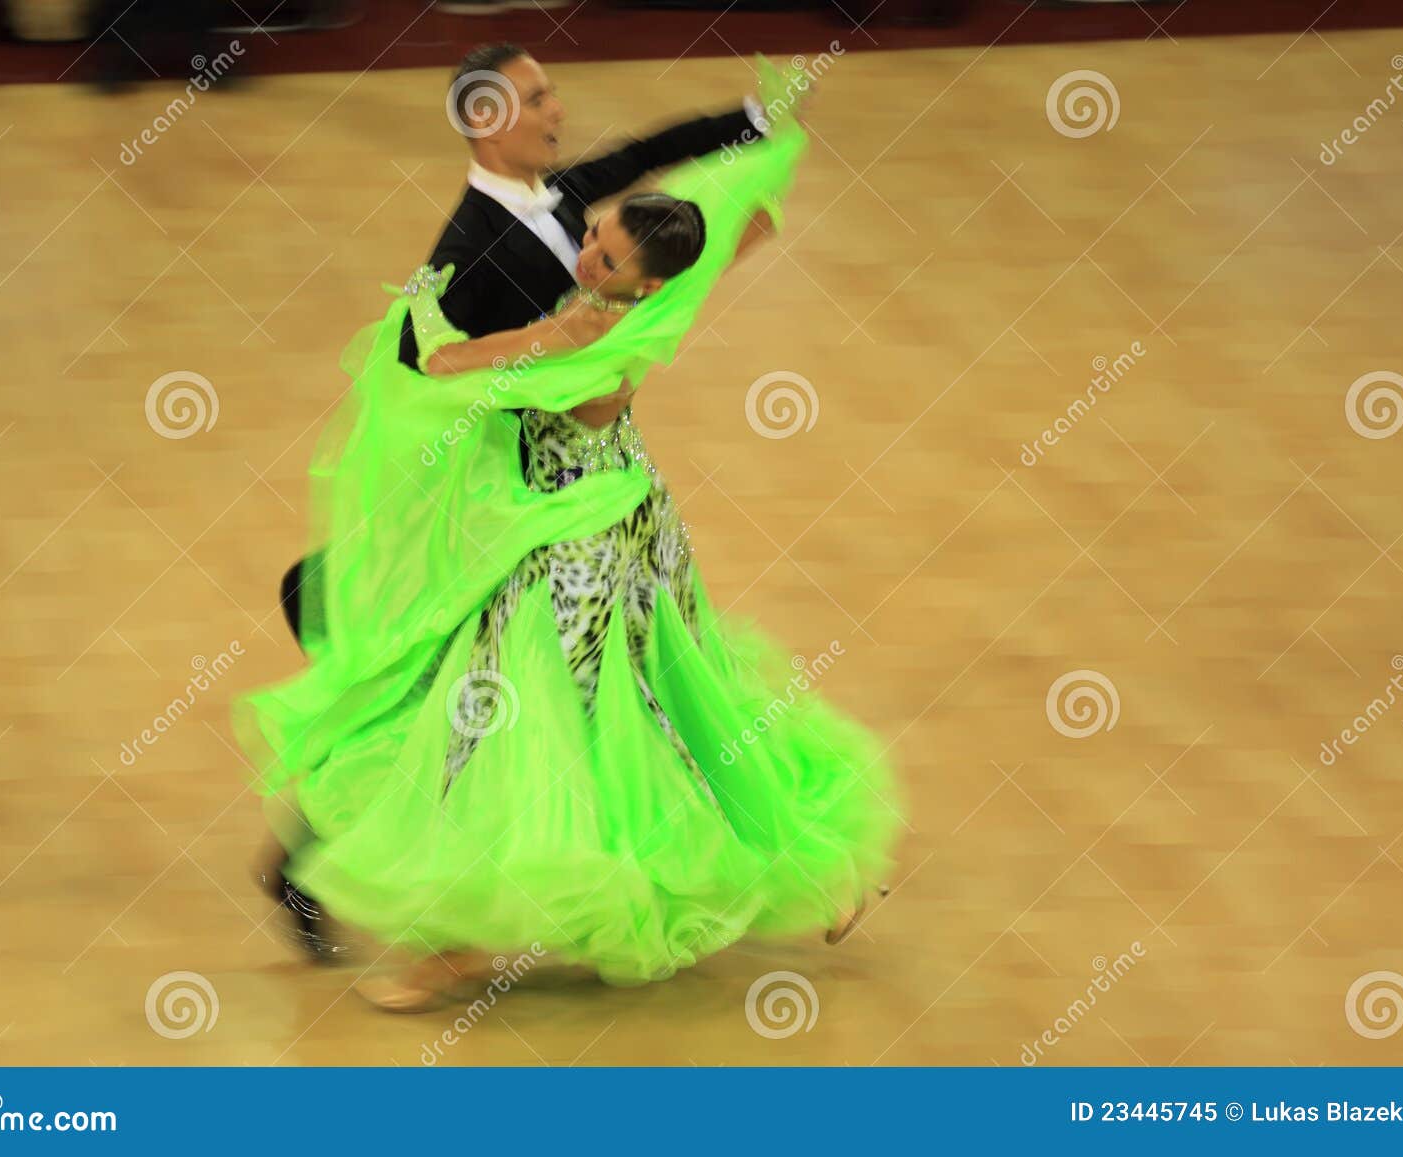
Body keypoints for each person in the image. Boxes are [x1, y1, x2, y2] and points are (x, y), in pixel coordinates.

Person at [234, 72, 904, 1011]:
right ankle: (809, 866)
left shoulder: (601, 343)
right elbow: (688, 204)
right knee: (660, 712)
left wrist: (479, 349)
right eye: (587, 235)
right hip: (601, 524)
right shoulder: (547, 263)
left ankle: (458, 941)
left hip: (575, 549)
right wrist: (742, 134)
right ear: (489, 123)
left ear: (644, 277)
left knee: (509, 723)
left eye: (602, 246)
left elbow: (463, 367)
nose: (584, 246)